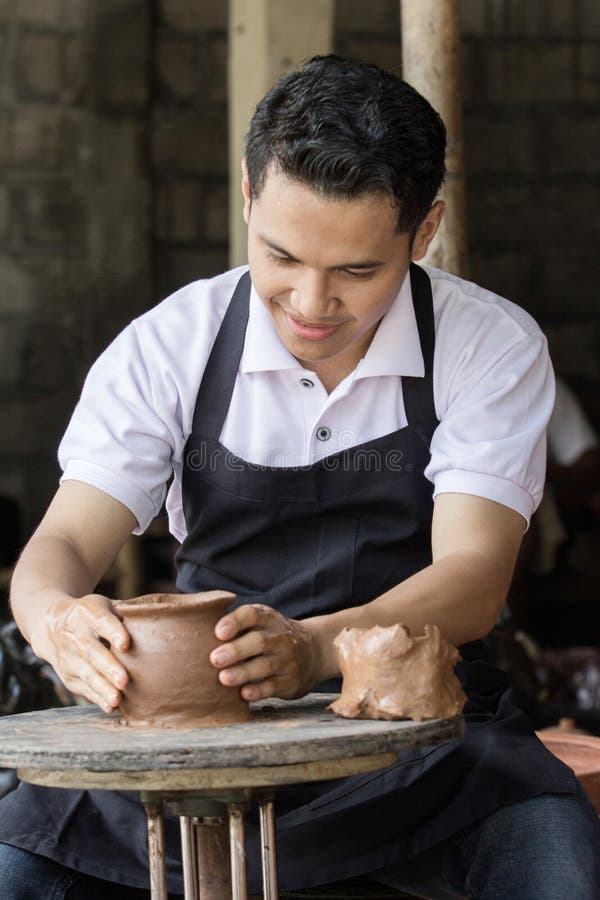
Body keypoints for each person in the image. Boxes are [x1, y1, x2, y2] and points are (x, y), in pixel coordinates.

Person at [1, 55, 598, 900]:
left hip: (423, 746)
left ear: (423, 234)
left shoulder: (486, 346)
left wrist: (315, 648)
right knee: (16, 866)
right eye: (281, 256)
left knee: (555, 864)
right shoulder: (171, 346)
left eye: (358, 271)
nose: (312, 304)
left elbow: (473, 579)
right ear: (248, 196)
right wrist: (56, 620)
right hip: (194, 748)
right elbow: (60, 542)